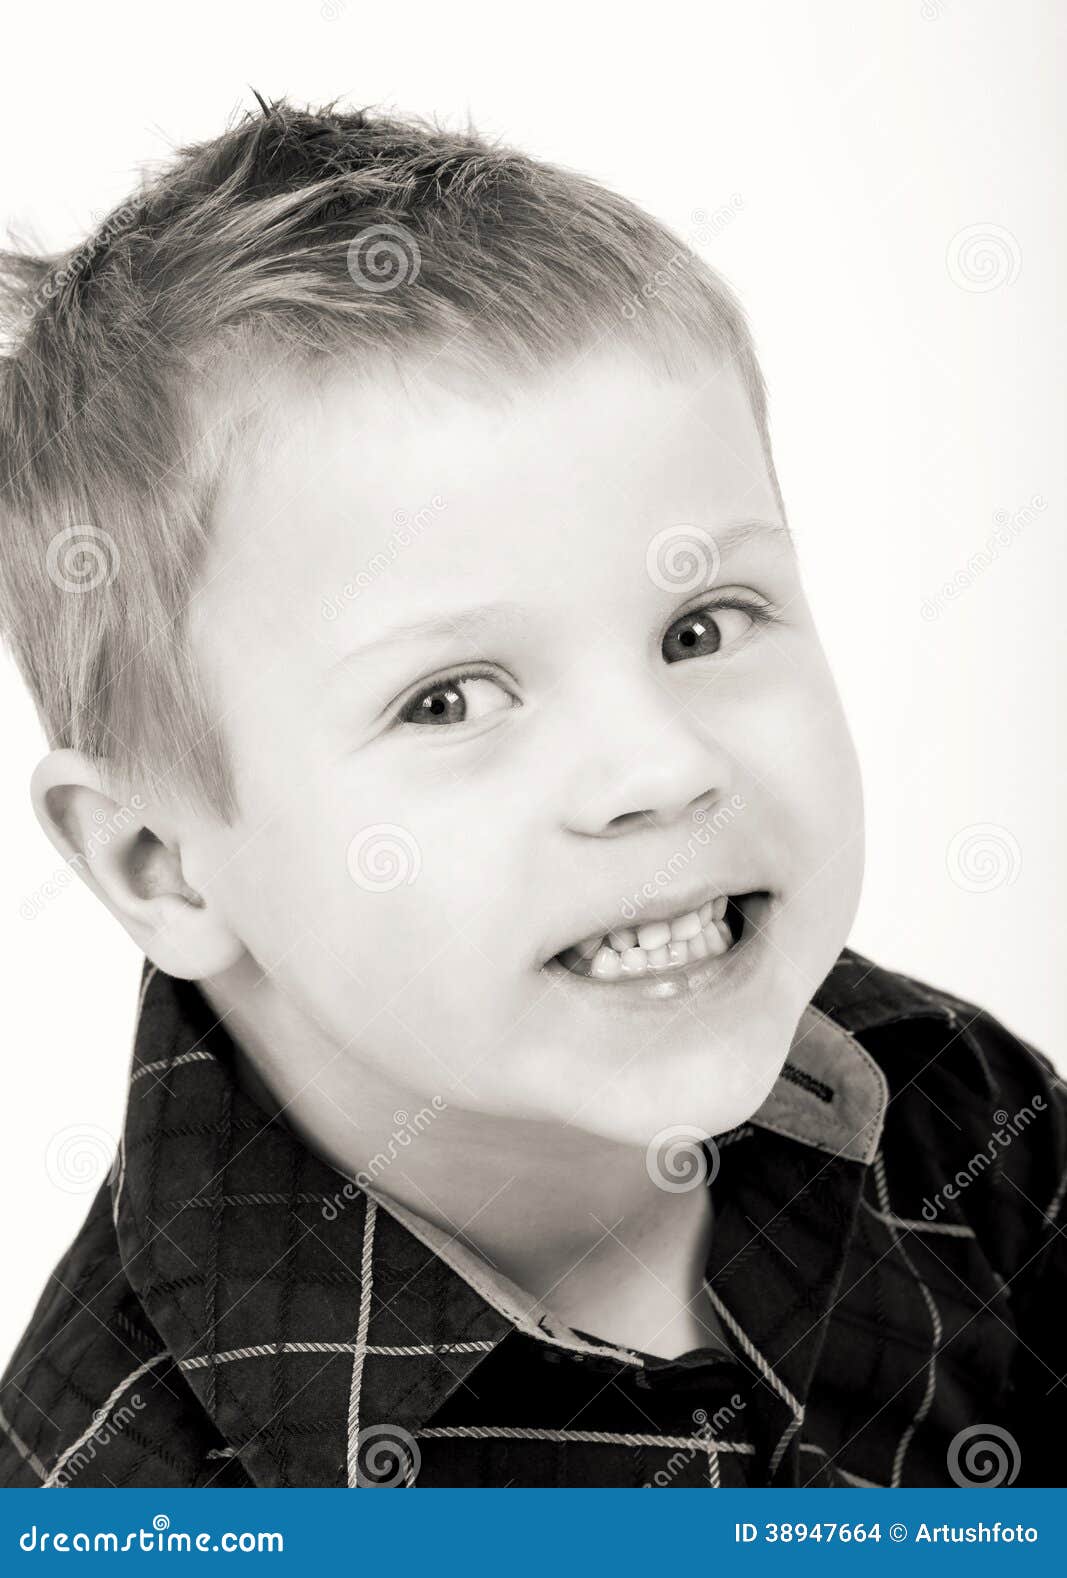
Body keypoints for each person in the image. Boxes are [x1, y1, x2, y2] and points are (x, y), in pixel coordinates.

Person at [0, 99, 1062, 1487]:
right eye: (447, 698)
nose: (662, 765)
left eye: (701, 626)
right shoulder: (135, 1486)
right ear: (161, 862)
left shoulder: (953, 1108)